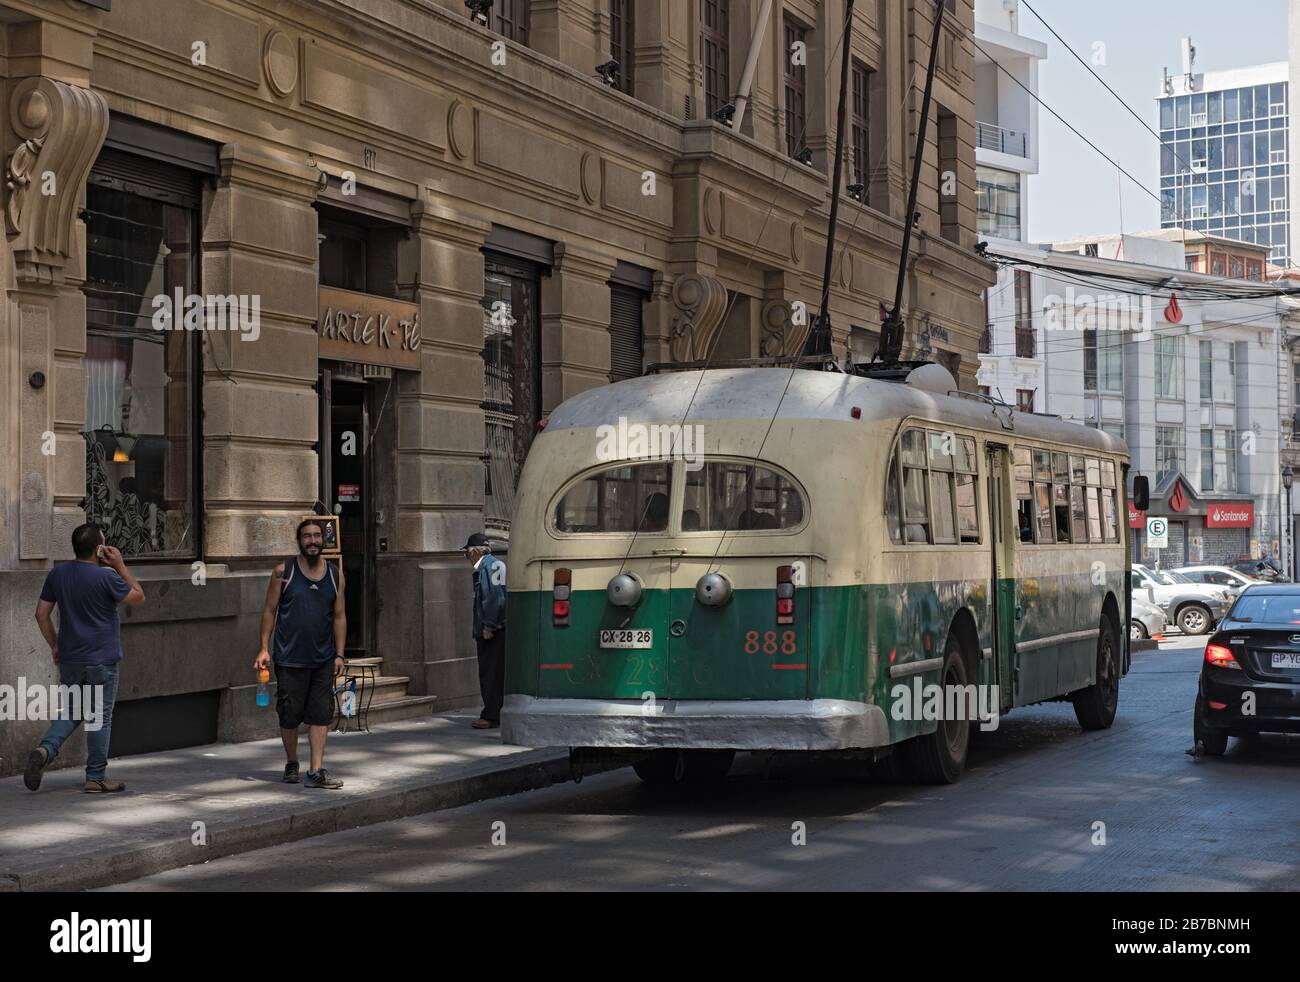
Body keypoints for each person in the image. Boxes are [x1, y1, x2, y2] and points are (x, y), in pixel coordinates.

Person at [25, 523, 146, 793]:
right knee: (99, 716)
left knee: (73, 710)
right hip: (102, 659)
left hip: (71, 658)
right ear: (99, 548)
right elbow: (138, 596)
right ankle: (95, 777)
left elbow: (40, 614)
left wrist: (55, 646)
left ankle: (45, 750)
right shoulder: (107, 577)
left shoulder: (57, 574)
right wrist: (121, 565)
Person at [254, 520, 346, 788]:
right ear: (299, 541)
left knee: (321, 714)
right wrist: (263, 647)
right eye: (307, 536)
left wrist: (339, 654)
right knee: (289, 715)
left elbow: (339, 616)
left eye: (317, 536)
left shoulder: (335, 575)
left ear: (324, 540)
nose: (313, 541)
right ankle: (292, 761)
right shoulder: (283, 572)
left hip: (323, 658)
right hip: (289, 657)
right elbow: (269, 611)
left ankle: (316, 770)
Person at [464, 532, 506, 729]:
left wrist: (489, 625)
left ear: (474, 552)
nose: (467, 558)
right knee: (496, 673)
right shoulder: (496, 564)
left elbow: (493, 599)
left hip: (491, 629)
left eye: (466, 553)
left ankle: (490, 715)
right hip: (499, 627)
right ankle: (496, 712)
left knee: (489, 673)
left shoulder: (486, 568)